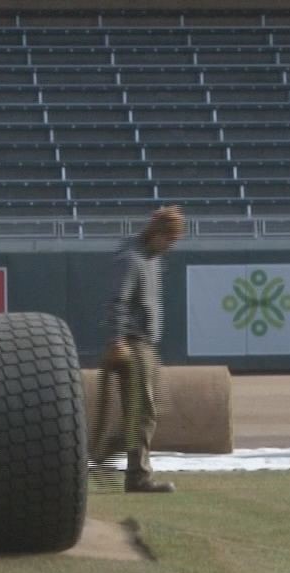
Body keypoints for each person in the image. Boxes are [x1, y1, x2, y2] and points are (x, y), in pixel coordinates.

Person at [93, 205, 185, 493]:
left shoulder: (153, 260)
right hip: (133, 344)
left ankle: (106, 455)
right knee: (143, 412)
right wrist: (117, 340)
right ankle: (136, 474)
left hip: (146, 342)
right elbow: (117, 301)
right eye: (168, 239)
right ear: (156, 233)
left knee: (147, 410)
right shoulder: (132, 259)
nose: (169, 247)